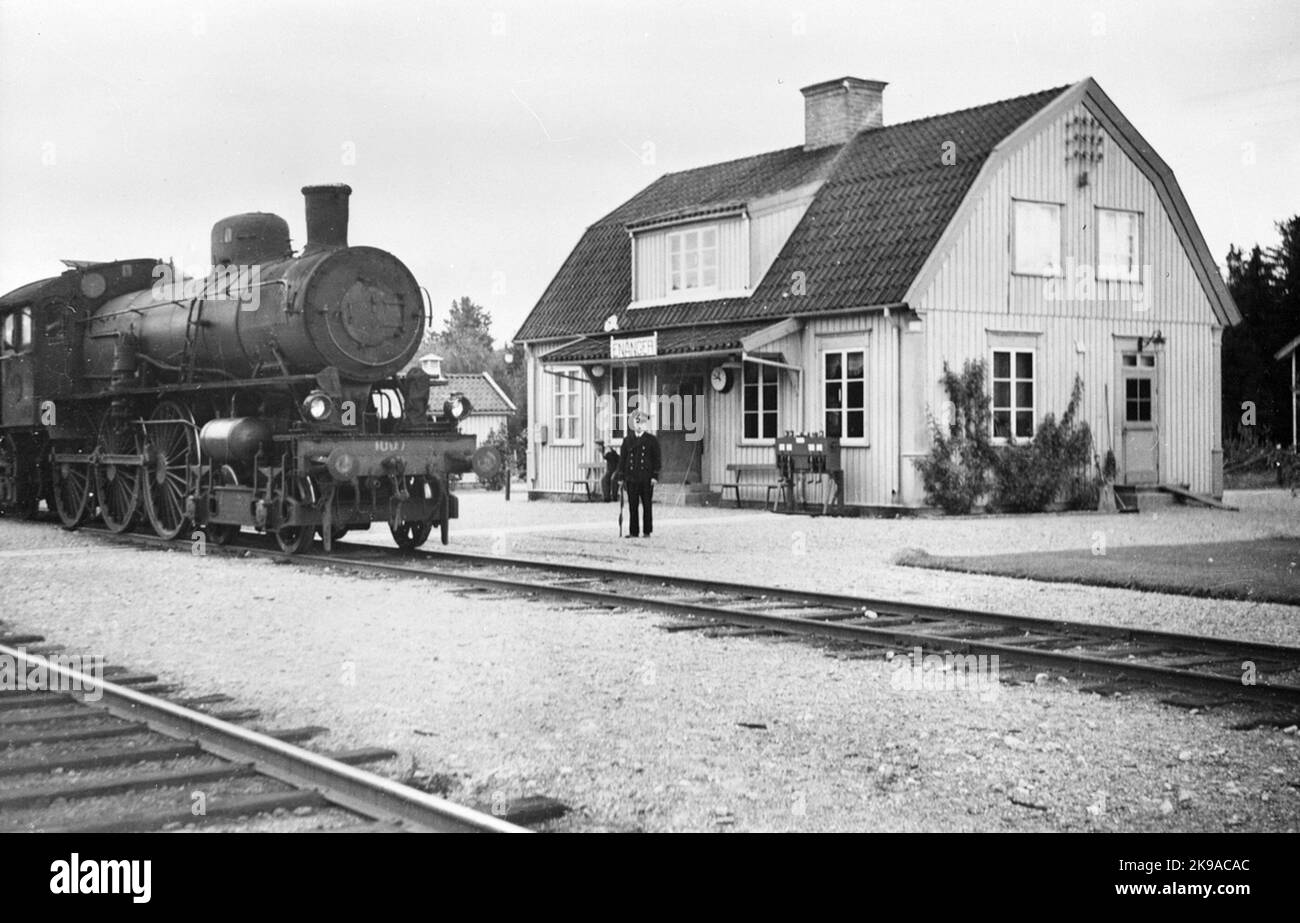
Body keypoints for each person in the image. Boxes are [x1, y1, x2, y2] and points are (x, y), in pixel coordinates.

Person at [618, 410, 660, 537]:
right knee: (633, 506)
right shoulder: (627, 440)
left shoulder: (651, 440)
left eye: (642, 422)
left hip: (646, 478)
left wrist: (655, 476)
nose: (639, 425)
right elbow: (622, 459)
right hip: (631, 478)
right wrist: (621, 477)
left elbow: (657, 459)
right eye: (637, 422)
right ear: (633, 424)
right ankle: (633, 531)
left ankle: (647, 531)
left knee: (647, 505)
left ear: (645, 424)